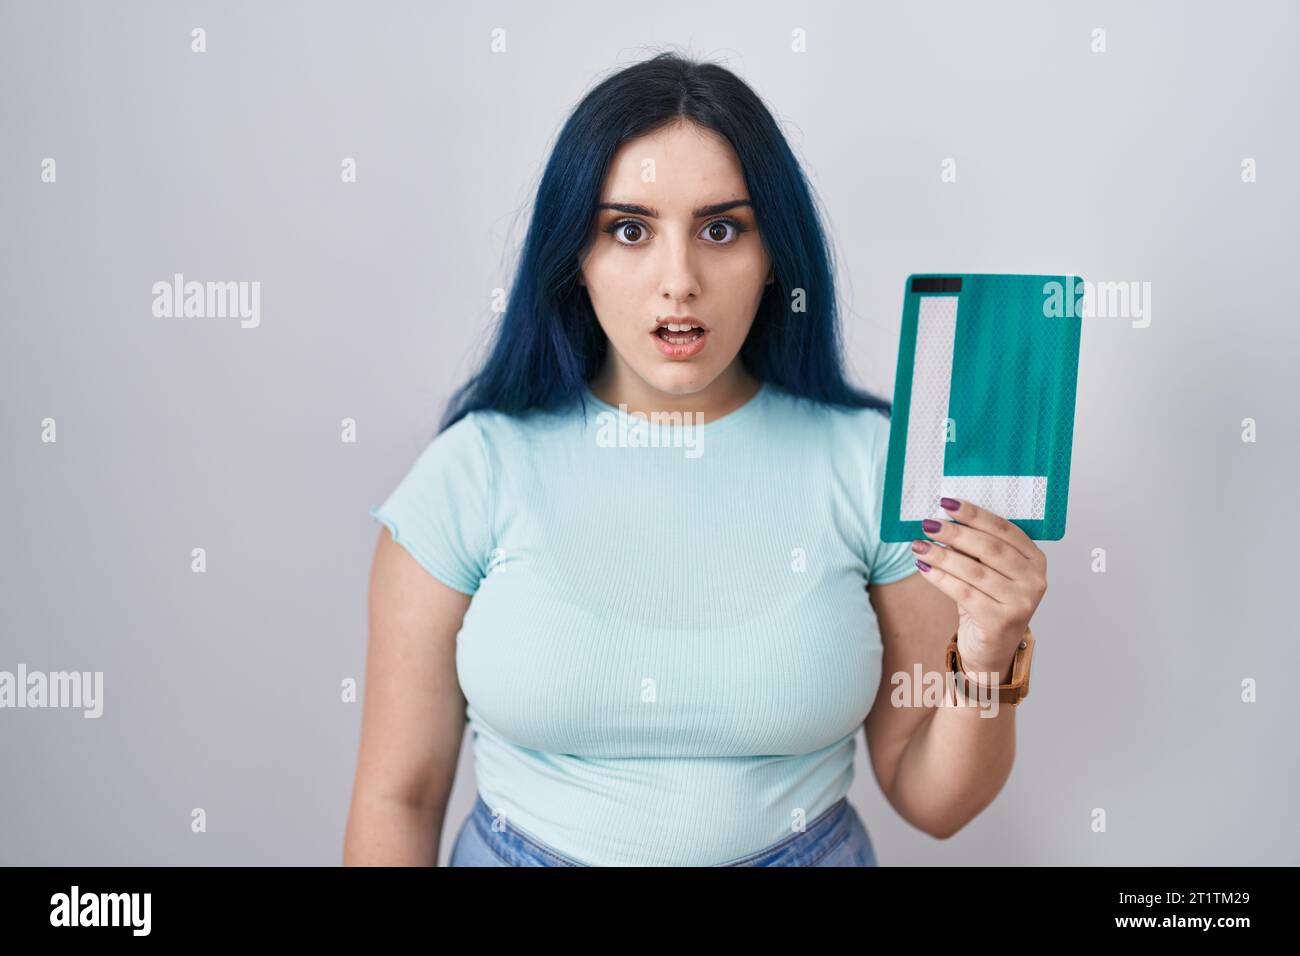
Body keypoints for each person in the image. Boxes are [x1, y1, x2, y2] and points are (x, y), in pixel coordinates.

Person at [342, 51, 1048, 867]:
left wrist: (990, 652)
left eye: (721, 229)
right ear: (577, 255)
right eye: (630, 230)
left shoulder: (872, 467)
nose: (679, 280)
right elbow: (400, 795)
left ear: (773, 252)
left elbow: (936, 801)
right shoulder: (472, 473)